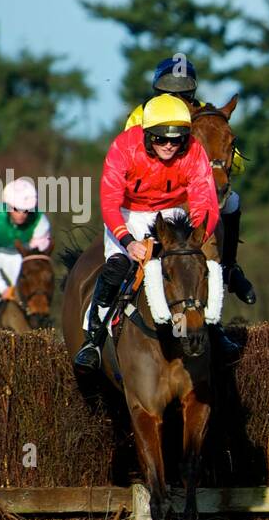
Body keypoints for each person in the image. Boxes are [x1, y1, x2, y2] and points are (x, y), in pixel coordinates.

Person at [73, 93, 234, 370]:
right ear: (148, 135)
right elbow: (110, 201)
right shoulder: (123, 147)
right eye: (161, 139)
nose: (170, 146)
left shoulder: (193, 150)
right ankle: (93, 339)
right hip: (128, 213)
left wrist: (198, 238)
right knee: (118, 265)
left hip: (172, 213)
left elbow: (204, 202)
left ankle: (214, 329)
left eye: (176, 139)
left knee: (197, 264)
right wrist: (128, 241)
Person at [123, 56, 255, 305]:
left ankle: (229, 268)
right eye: (171, 94)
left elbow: (234, 162)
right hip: (150, 192)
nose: (178, 100)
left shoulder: (206, 112)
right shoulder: (141, 115)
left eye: (182, 95)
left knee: (232, 201)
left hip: (196, 188)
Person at [0, 177, 52, 311]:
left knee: (25, 298)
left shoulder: (40, 221)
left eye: (26, 210)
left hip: (19, 255)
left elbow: (37, 262)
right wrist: (2, 288)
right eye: (16, 209)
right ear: (8, 205)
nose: (22, 214)